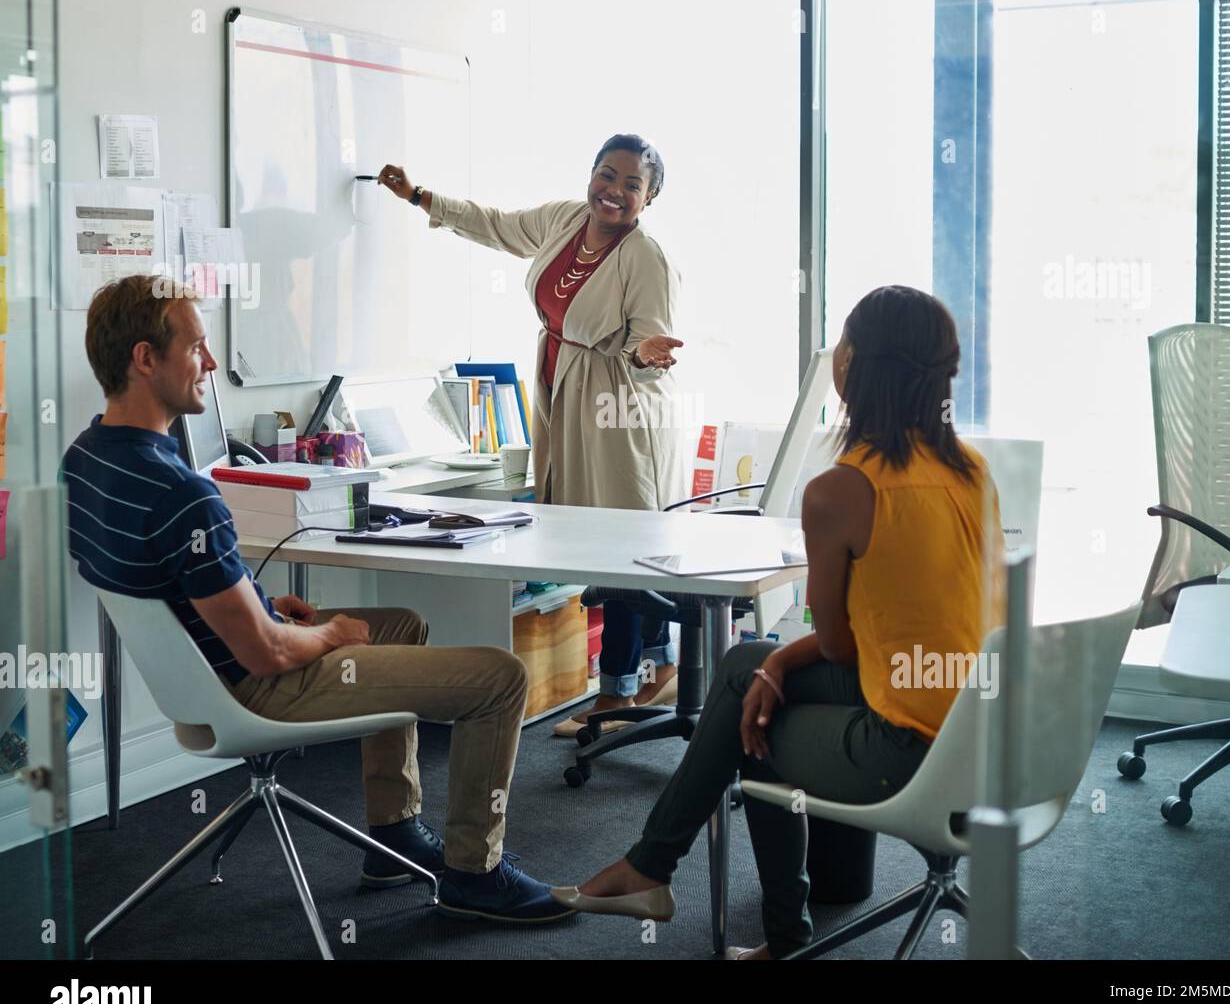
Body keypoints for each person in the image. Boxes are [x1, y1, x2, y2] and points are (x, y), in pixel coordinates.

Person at [63, 275, 572, 924]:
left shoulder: (85, 458)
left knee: (402, 624)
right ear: (144, 359)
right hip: (255, 685)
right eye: (196, 347)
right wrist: (326, 635)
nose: (212, 363)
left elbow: (173, 588)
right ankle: (478, 873)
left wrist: (258, 600)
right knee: (501, 677)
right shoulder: (182, 493)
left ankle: (393, 835)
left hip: (200, 673)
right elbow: (270, 651)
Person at [549, 286, 1007, 957]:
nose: (838, 358)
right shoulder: (972, 470)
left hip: (915, 751)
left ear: (861, 367)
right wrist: (773, 661)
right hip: (986, 733)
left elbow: (840, 644)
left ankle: (736, 914)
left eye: (845, 344)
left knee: (755, 728)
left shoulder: (842, 490)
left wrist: (779, 666)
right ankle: (656, 869)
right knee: (747, 666)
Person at [379, 135, 687, 737]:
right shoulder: (563, 221)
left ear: (649, 198)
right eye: (607, 174)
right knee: (590, 538)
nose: (614, 191)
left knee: (621, 545)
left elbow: (648, 343)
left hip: (617, 407)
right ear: (590, 175)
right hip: (561, 390)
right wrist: (419, 197)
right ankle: (661, 665)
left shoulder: (646, 256)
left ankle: (620, 691)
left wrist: (648, 353)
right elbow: (496, 225)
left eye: (632, 184)